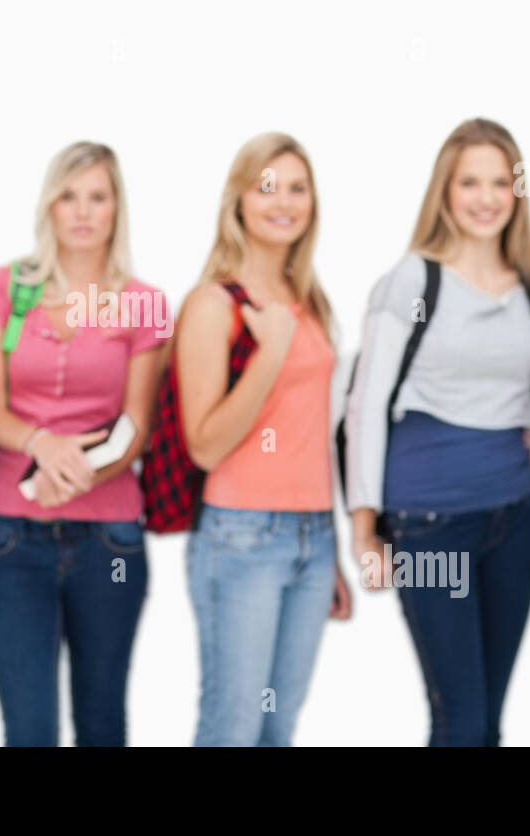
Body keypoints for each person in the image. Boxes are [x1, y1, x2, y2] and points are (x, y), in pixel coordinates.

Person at [343, 118, 530, 746]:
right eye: (470, 182)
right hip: (430, 520)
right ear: (445, 189)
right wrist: (365, 526)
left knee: (488, 717)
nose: (486, 197)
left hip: (515, 517)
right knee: (459, 719)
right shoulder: (414, 281)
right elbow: (367, 402)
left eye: (500, 182)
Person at [0, 141, 166, 746]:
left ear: (116, 208)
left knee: (102, 721)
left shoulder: (144, 305)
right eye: (69, 196)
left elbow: (136, 427)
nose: (83, 211)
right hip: (12, 537)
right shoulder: (3, 288)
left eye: (98, 197)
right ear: (50, 206)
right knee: (28, 728)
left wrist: (73, 472)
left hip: (110, 537)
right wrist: (43, 446)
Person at [177, 132, 350, 747]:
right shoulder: (212, 303)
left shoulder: (310, 301)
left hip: (312, 536)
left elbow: (313, 432)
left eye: (298, 188)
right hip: (241, 537)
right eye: (268, 186)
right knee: (234, 728)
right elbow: (204, 445)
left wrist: (326, 544)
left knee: (277, 730)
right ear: (240, 201)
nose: (285, 202)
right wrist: (269, 351)